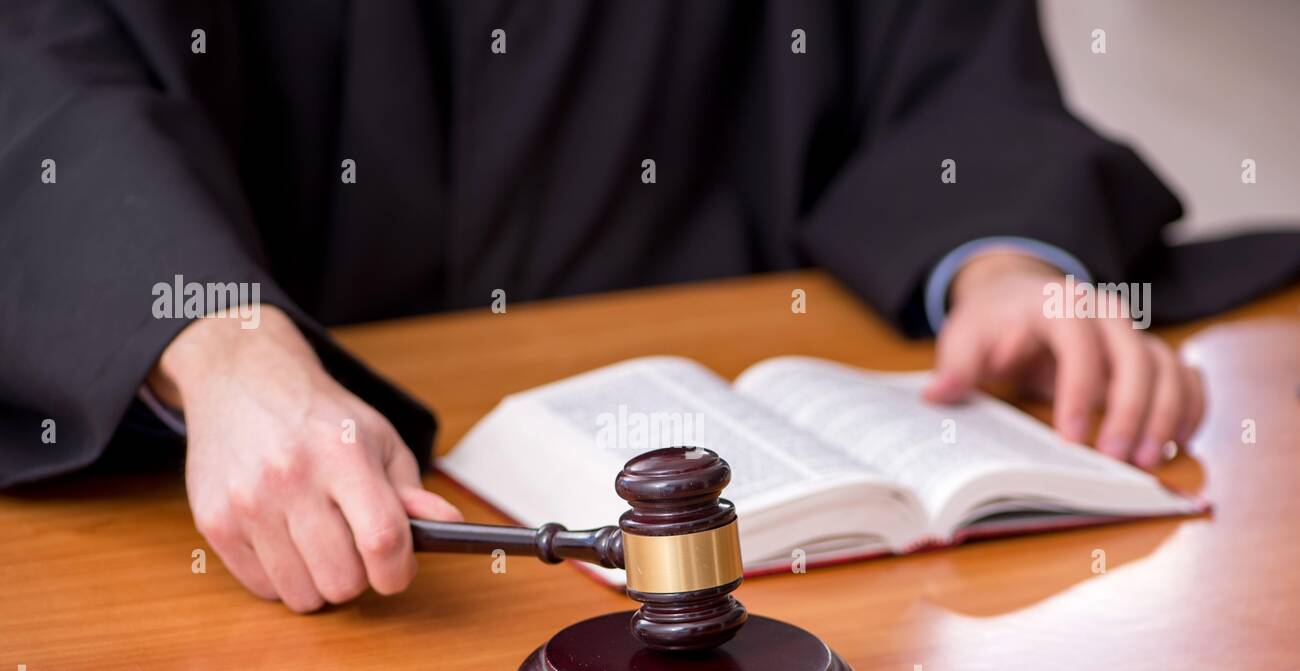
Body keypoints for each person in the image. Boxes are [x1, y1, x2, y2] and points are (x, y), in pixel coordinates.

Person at [2, 1, 1297, 612]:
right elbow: (37, 55)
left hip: (773, 501)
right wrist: (206, 337)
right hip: (270, 465)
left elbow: (933, 47)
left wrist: (1001, 256)